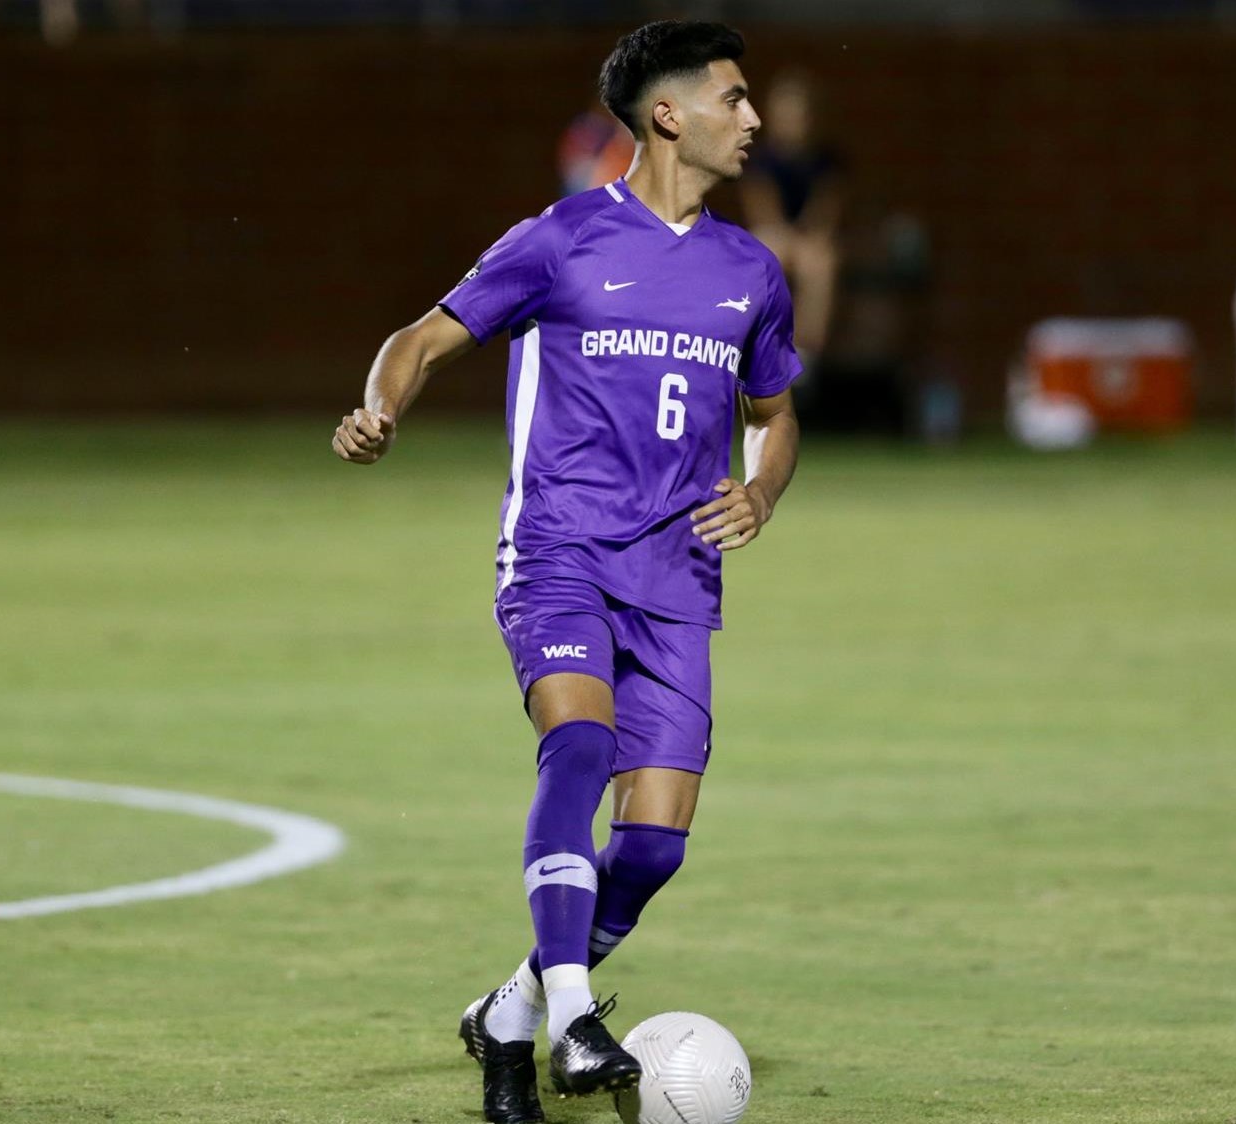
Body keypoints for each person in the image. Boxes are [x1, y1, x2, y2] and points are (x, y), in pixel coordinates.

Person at [330, 21, 802, 1124]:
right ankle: (575, 1014)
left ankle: (510, 1010)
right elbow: (422, 335)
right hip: (558, 549)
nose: (755, 119)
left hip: (679, 577)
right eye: (734, 98)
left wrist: (763, 488)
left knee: (649, 844)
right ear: (667, 113)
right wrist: (379, 406)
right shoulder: (558, 241)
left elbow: (774, 416)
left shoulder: (750, 271)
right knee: (578, 742)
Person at [740, 70, 842, 360]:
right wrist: (791, 242)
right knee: (769, 253)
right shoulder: (760, 160)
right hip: (776, 235)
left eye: (800, 116)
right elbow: (763, 215)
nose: (793, 124)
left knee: (822, 262)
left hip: (810, 239)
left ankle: (806, 352)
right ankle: (761, 345)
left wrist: (808, 241)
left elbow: (825, 214)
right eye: (785, 116)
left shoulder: (827, 161)